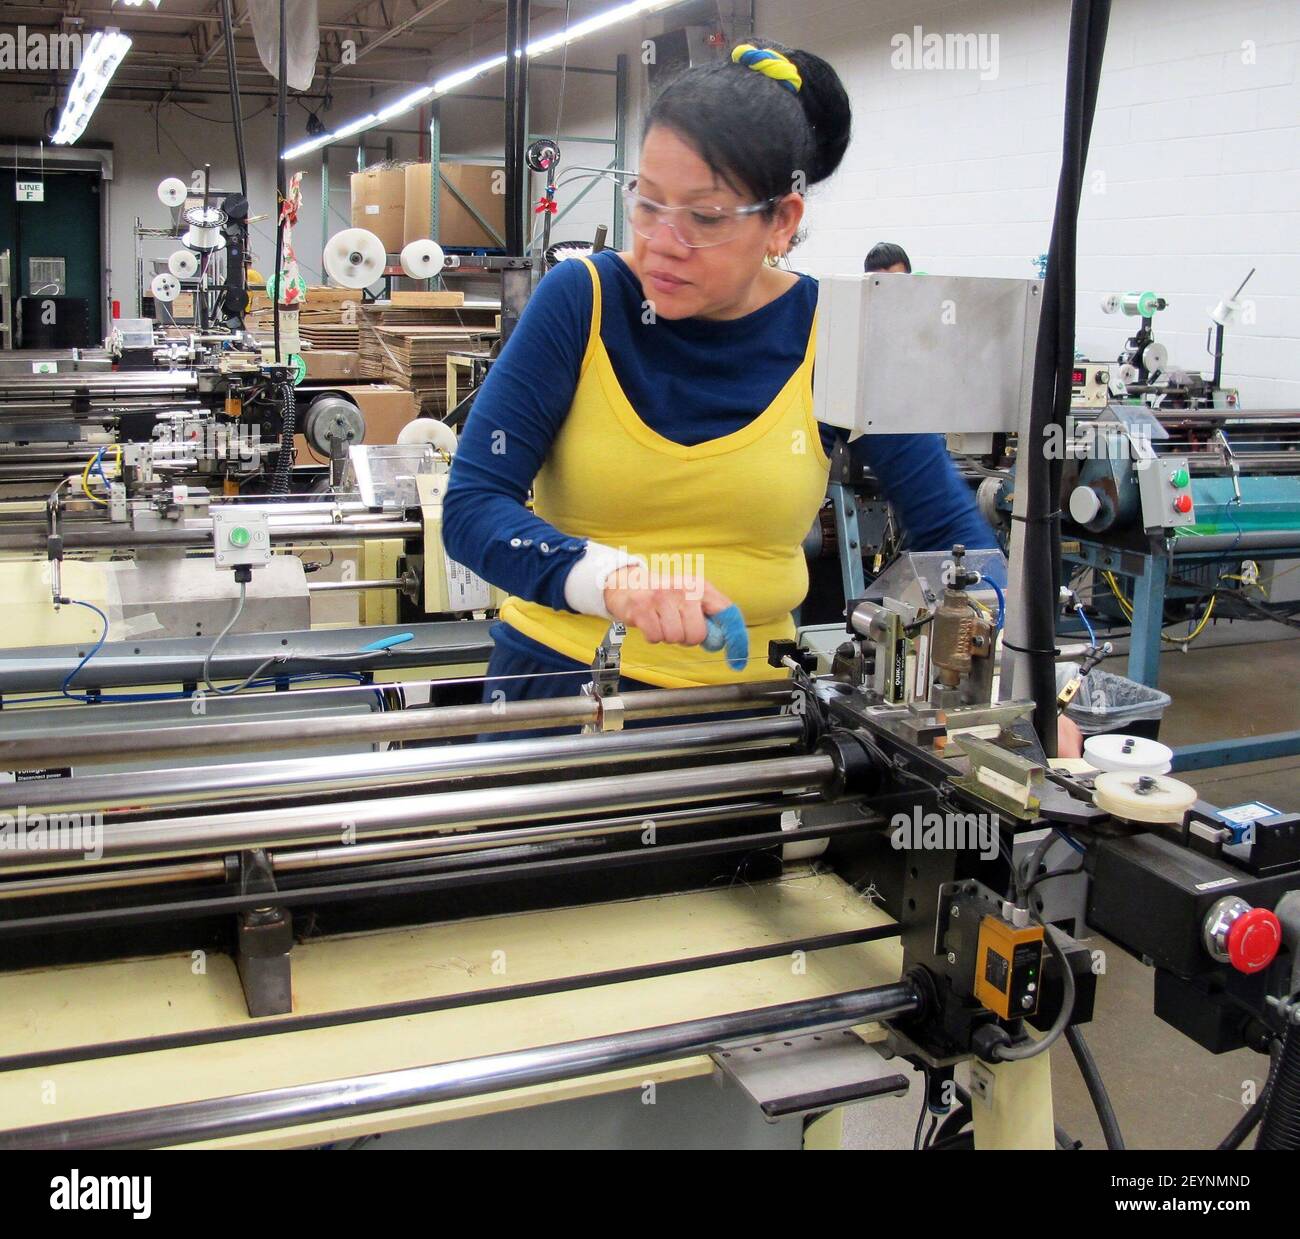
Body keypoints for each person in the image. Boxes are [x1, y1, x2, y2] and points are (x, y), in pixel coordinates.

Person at [443, 39, 1025, 737]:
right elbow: (473, 507)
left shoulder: (833, 333)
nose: (663, 239)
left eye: (705, 217)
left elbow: (952, 536)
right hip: (564, 694)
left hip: (753, 719)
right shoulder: (583, 301)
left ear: (782, 220)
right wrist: (613, 580)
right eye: (648, 203)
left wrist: (1026, 684)